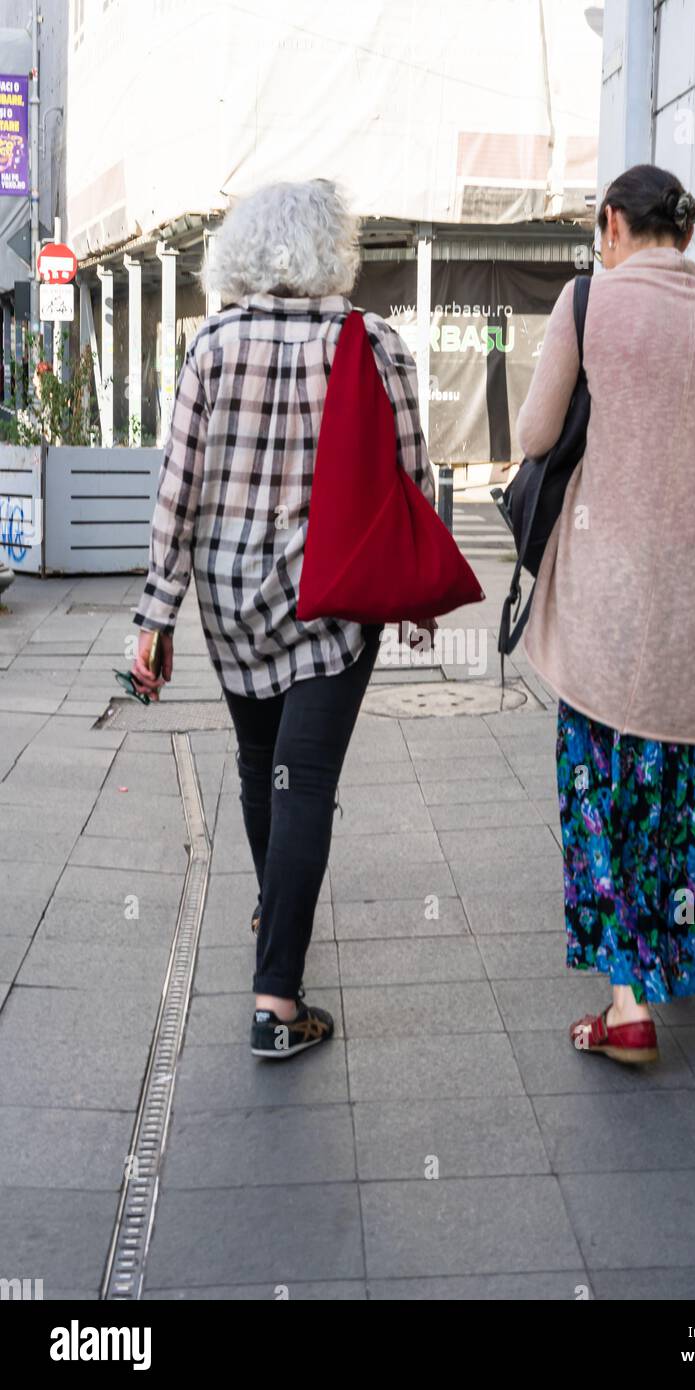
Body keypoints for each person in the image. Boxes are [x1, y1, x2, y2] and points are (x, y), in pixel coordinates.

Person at [131, 180, 436, 1059]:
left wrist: (157, 614)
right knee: (306, 779)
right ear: (330, 248)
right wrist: (415, 593)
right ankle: (276, 999)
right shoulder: (371, 341)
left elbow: (175, 488)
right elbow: (409, 475)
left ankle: (277, 916)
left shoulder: (213, 343)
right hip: (331, 597)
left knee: (262, 764)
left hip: (228, 599)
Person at [516, 163, 695, 1065]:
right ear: (684, 233)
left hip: (616, 600)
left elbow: (533, 437)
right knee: (691, 781)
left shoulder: (588, 303)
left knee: (608, 784)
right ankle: (684, 948)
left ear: (611, 224)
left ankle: (628, 1004)